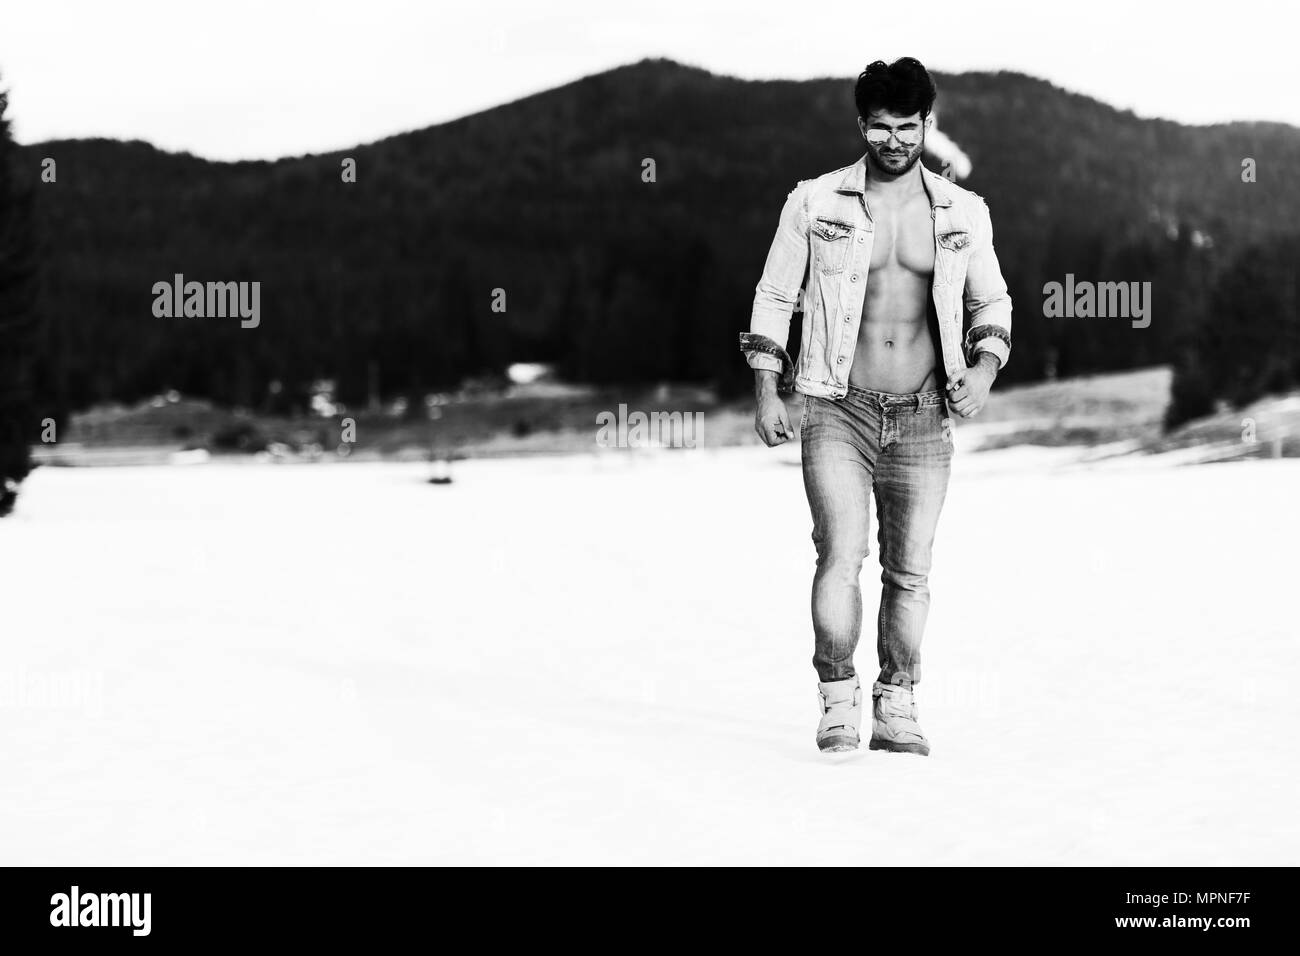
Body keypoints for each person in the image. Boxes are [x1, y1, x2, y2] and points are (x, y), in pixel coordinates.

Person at [739, 57, 1013, 755]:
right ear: (862, 124)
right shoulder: (814, 201)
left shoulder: (963, 211)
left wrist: (983, 370)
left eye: (907, 127)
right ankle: (837, 699)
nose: (893, 141)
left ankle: (897, 704)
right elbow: (774, 296)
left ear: (930, 122)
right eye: (880, 127)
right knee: (840, 553)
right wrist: (768, 387)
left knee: (910, 568)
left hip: (925, 411)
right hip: (836, 406)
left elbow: (992, 300)